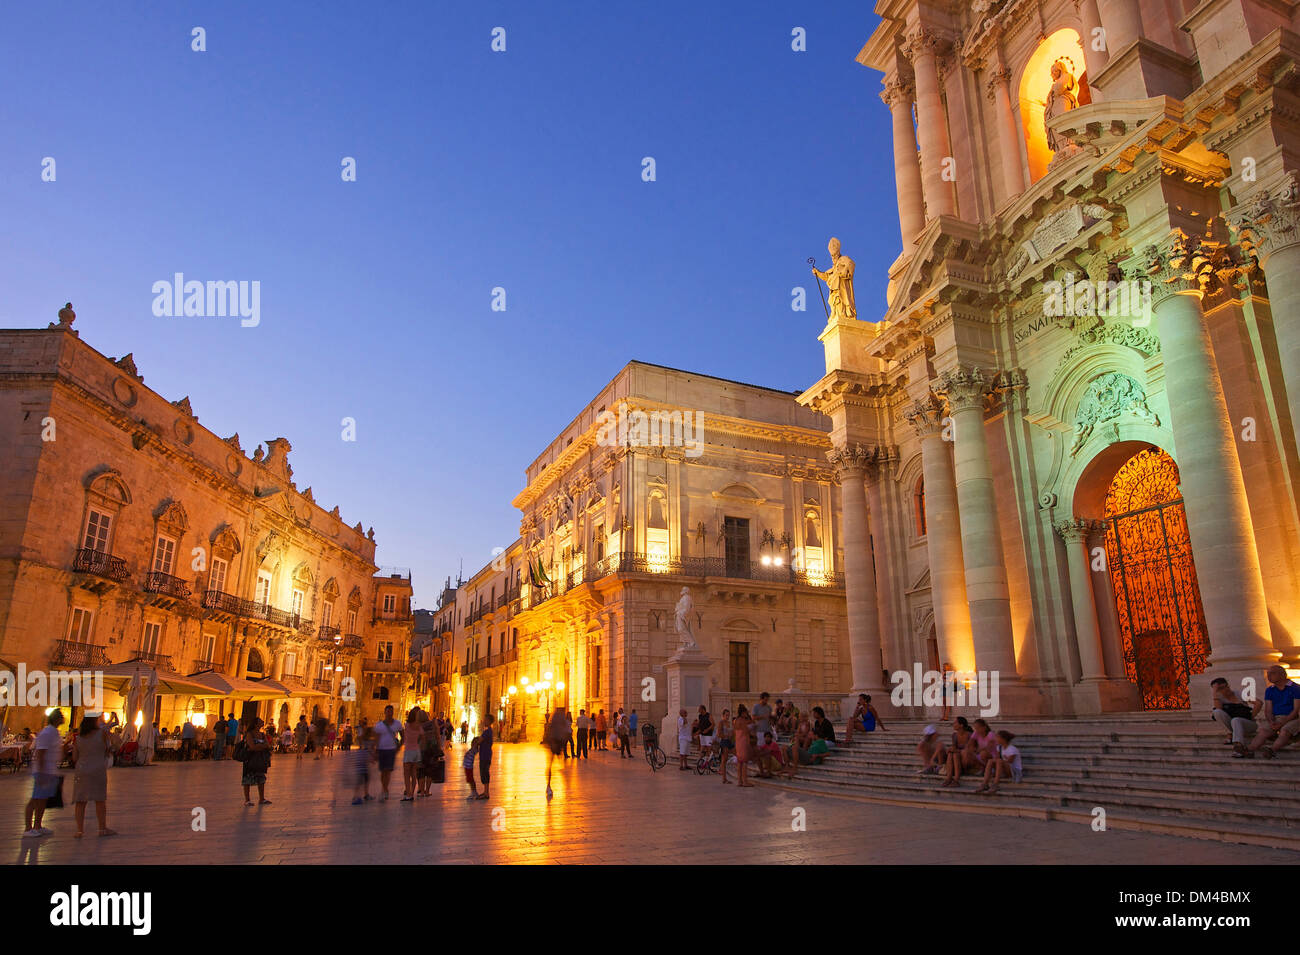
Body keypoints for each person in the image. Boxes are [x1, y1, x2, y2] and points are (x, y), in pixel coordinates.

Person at [23, 709, 65, 839]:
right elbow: (40, 753)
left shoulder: (54, 732)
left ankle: (38, 826)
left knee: (42, 800)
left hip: (50, 770)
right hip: (43, 771)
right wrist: (41, 773)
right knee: (35, 800)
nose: (63, 718)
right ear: (57, 719)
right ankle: (28, 828)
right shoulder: (47, 732)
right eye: (61, 716)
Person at [72, 714, 116, 838]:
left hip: (82, 769)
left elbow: (75, 757)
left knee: (80, 801)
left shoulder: (78, 737)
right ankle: (102, 828)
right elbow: (109, 749)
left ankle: (79, 831)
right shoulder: (102, 734)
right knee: (100, 800)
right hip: (98, 769)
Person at [1242, 665, 1300, 758]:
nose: (1269, 676)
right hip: (1276, 718)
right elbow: (1268, 709)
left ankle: (1272, 750)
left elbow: (1296, 710)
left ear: (1282, 675)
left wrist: (1281, 723)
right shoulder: (1270, 690)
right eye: (1268, 674)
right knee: (1264, 731)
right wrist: (1271, 721)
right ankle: (1249, 750)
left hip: (1292, 718)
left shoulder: (1295, 688)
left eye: (1272, 673)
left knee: (1285, 730)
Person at [1211, 677, 1259, 750]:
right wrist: (1215, 694)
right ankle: (1230, 734)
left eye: (1224, 687)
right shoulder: (1220, 699)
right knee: (1216, 712)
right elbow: (1219, 711)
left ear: (1227, 685)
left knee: (1236, 720)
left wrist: (1251, 716)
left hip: (1247, 724)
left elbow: (1258, 703)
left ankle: (1239, 745)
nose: (1223, 690)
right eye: (1219, 689)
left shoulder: (1240, 694)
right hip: (1233, 725)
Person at [240, 717, 273, 806]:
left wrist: (258, 746)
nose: (262, 722)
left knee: (261, 778)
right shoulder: (249, 734)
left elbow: (268, 745)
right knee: (247, 779)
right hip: (250, 759)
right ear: (255, 724)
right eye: (260, 721)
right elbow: (252, 747)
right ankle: (247, 800)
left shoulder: (262, 734)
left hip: (260, 759)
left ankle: (261, 799)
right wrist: (262, 746)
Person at [373, 705, 403, 800]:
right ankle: (384, 788)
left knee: (388, 770)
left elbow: (403, 735)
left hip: (391, 750)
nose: (390, 713)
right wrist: (375, 750)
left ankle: (385, 790)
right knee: (383, 771)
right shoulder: (379, 725)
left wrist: (399, 747)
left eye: (391, 711)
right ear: (385, 712)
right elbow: (376, 738)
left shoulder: (397, 724)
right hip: (382, 749)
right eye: (388, 711)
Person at [545, 708, 569, 800]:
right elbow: (566, 732)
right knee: (551, 764)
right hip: (557, 742)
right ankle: (549, 786)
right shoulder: (562, 721)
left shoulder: (554, 722)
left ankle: (548, 785)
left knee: (550, 764)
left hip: (555, 742)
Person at [401, 707, 423, 802]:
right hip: (416, 751)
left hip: (408, 751)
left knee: (406, 774)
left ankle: (408, 794)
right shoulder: (419, 726)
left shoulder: (407, 725)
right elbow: (423, 737)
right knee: (414, 774)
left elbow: (404, 737)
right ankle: (412, 793)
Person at [349, 726, 375, 805]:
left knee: (360, 782)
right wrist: (372, 759)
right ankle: (359, 796)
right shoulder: (371, 742)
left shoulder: (361, 740)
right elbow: (370, 751)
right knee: (364, 781)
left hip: (360, 763)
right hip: (364, 765)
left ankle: (358, 795)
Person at [731, 705, 755, 787]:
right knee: (744, 762)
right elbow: (746, 731)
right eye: (746, 713)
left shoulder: (736, 720)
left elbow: (735, 732)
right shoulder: (742, 721)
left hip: (738, 741)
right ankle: (745, 781)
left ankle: (739, 781)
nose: (747, 714)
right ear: (743, 713)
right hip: (743, 741)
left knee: (739, 762)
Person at [477, 713, 495, 801]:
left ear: (488, 721)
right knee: (484, 773)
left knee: (484, 773)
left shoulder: (487, 731)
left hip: (485, 755)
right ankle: (485, 792)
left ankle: (486, 793)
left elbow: (480, 740)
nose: (484, 721)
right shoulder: (488, 731)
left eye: (485, 719)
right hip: (485, 754)